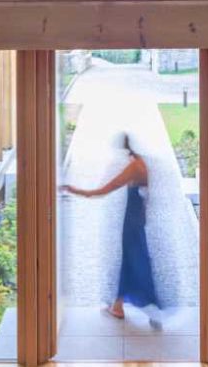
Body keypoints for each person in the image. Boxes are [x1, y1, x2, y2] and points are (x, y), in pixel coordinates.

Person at [63, 131, 160, 321]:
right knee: (133, 261)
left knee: (134, 261)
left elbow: (106, 189)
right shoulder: (143, 164)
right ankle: (120, 304)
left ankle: (143, 305)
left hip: (131, 224)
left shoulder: (134, 167)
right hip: (137, 221)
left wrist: (76, 190)